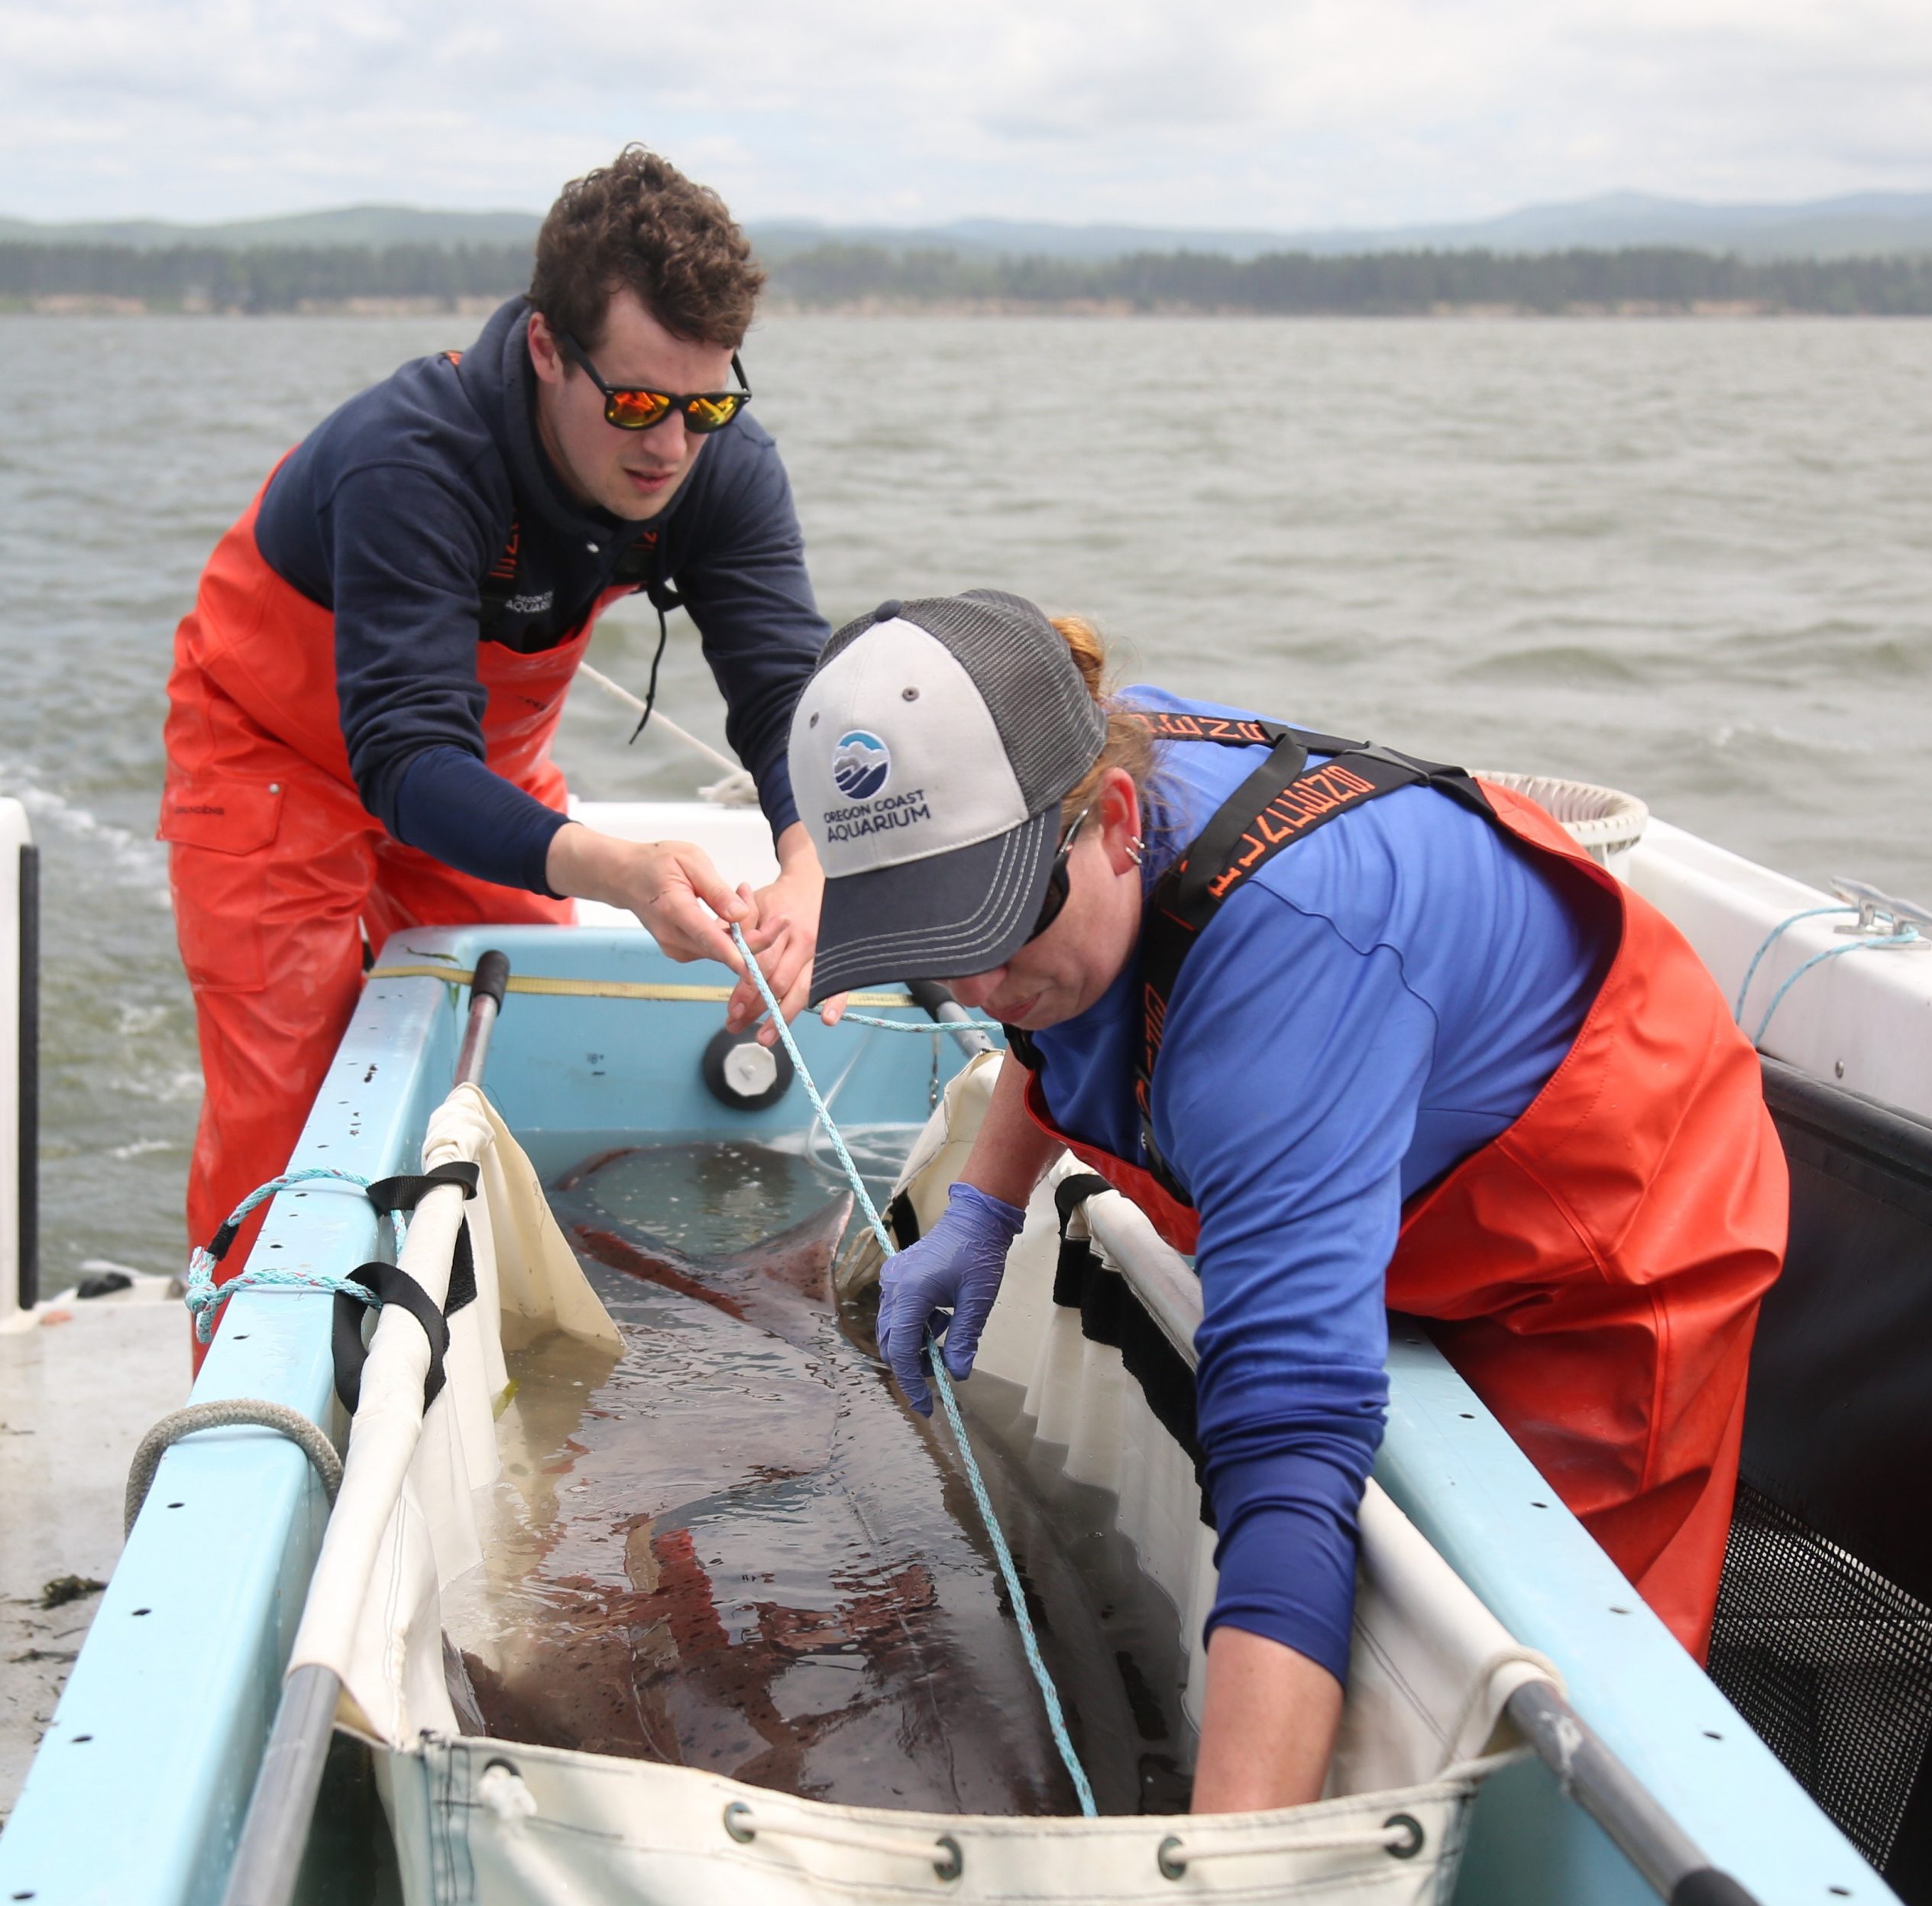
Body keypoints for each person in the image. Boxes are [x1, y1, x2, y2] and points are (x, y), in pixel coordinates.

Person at [785, 590, 1786, 1814]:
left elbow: (1287, 1440)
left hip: (1603, 1223)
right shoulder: (1085, 768)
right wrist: (985, 1207)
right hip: (1375, 1125)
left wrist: (1233, 1867)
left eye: (998, 919)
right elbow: (1048, 1022)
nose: (979, 984)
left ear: (1114, 824)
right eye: (932, 936)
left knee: (1564, 1727)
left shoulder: (1288, 981)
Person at [162, 147, 833, 1324]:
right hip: (276, 757)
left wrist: (811, 862)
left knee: (525, 1062)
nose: (670, 447)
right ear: (545, 349)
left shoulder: (718, 466)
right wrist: (619, 871)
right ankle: (259, 1397)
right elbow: (404, 758)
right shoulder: (411, 458)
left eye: (707, 404)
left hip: (478, 768)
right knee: (289, 1124)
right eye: (637, 403)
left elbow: (786, 696)